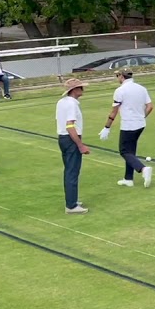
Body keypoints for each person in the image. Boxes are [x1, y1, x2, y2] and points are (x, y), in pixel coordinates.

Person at [100, 69, 154, 188]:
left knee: (124, 151)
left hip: (128, 125)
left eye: (117, 76)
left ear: (121, 77)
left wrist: (107, 127)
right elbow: (150, 107)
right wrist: (141, 117)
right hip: (140, 124)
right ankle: (128, 178)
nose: (117, 78)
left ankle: (143, 169)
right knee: (131, 151)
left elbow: (114, 111)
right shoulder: (141, 88)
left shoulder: (120, 91)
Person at [56, 78, 90, 215]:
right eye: (81, 87)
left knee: (69, 170)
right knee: (72, 172)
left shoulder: (62, 102)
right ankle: (71, 205)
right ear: (75, 90)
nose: (83, 90)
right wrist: (80, 145)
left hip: (63, 138)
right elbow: (70, 126)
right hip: (71, 139)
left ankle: (72, 200)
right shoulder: (72, 104)